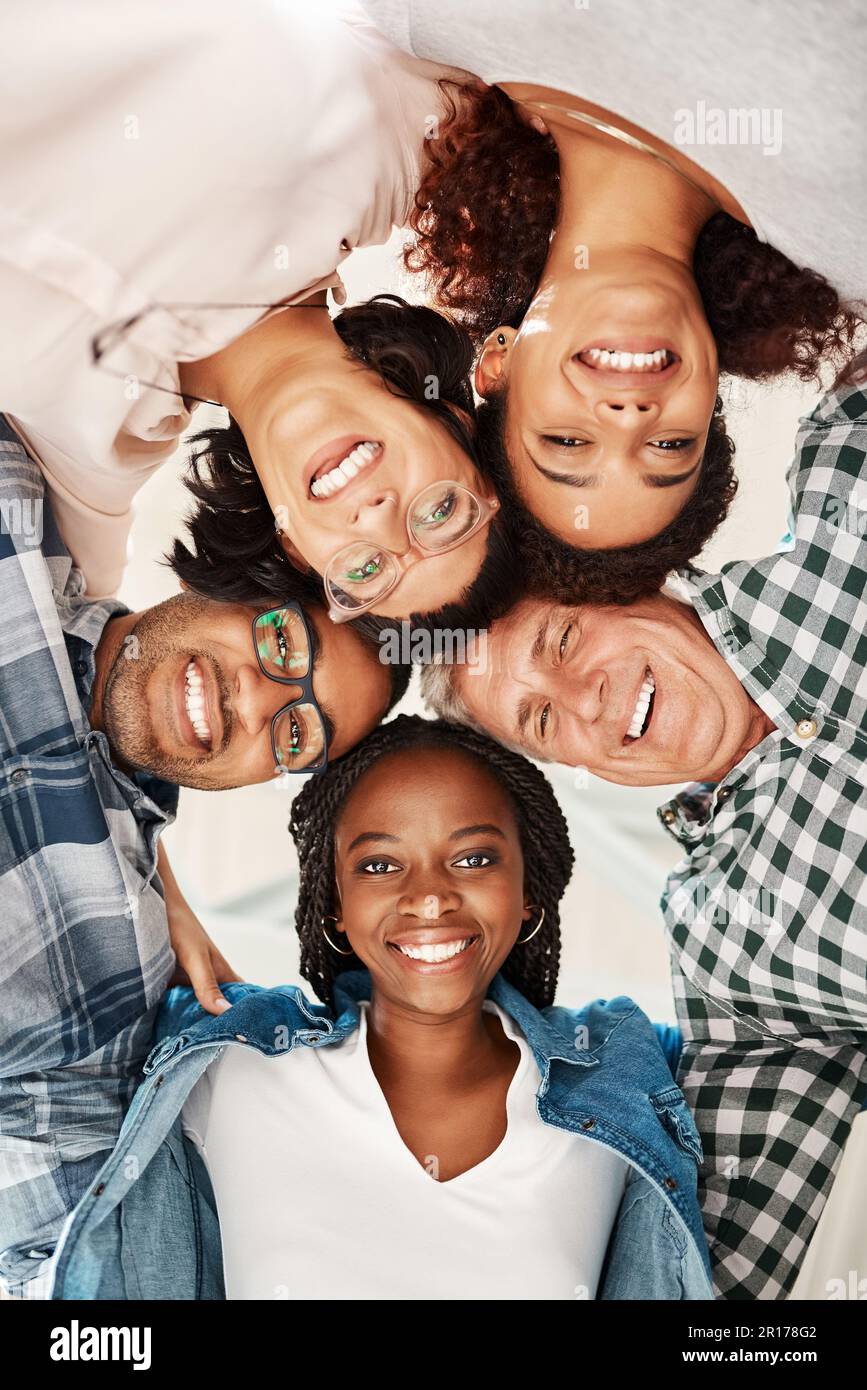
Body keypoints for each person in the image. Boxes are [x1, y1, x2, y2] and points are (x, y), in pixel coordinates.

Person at [421, 369, 867, 1296]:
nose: (587, 706)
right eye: (542, 723)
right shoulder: (723, 940)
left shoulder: (848, 480)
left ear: (628, 575)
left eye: (562, 644)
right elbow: (725, 1272)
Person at [44, 716, 713, 1300]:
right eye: (378, 866)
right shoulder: (229, 1065)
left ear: (527, 892)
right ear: (333, 904)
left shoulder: (628, 1074)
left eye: (474, 857)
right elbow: (50, 761)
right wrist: (163, 901)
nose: (429, 897)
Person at [0, 416, 408, 1295]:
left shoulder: (112, 953)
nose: (259, 701)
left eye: (299, 732)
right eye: (281, 642)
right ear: (235, 577)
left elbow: (55, 1257)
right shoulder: (17, 500)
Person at [0, 1, 511, 619]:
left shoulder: (95, 470)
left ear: (298, 552)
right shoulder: (400, 144)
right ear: (456, 422)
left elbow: (53, 629)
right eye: (440, 512)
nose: (380, 519)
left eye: (369, 569)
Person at [362, 0, 865, 587]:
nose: (630, 418)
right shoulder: (847, 221)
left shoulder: (424, 17)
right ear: (707, 405)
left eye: (567, 441)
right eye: (671, 445)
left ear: (499, 363)